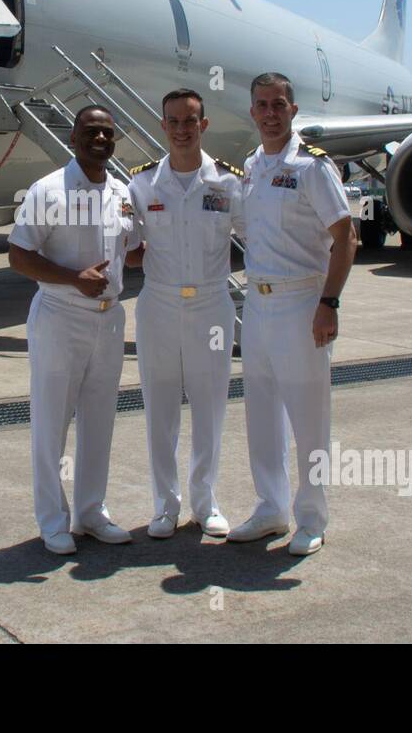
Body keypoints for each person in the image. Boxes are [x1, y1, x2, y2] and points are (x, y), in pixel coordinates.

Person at [229, 72, 358, 555]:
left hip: (303, 302)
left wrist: (329, 303)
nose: (270, 113)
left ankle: (311, 518)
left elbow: (346, 238)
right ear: (252, 111)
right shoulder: (252, 166)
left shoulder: (312, 168)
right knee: (260, 412)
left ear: (293, 110)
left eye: (278, 104)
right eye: (261, 104)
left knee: (309, 417)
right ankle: (270, 508)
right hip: (258, 305)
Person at [8, 105, 140, 555]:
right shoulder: (48, 191)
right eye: (91, 132)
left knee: (99, 419)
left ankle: (90, 511)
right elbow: (19, 255)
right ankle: (52, 519)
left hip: (109, 318)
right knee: (52, 421)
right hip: (60, 315)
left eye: (107, 132)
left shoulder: (122, 193)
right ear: (73, 137)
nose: (100, 139)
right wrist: (73, 278)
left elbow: (134, 251)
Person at [125, 89, 244, 539]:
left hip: (211, 303)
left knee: (210, 404)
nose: (181, 129)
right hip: (158, 302)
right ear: (163, 126)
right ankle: (164, 506)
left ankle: (206, 501)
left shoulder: (227, 183)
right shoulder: (141, 185)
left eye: (190, 120)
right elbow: (128, 248)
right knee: (159, 406)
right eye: (173, 121)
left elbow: (257, 235)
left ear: (203, 125)